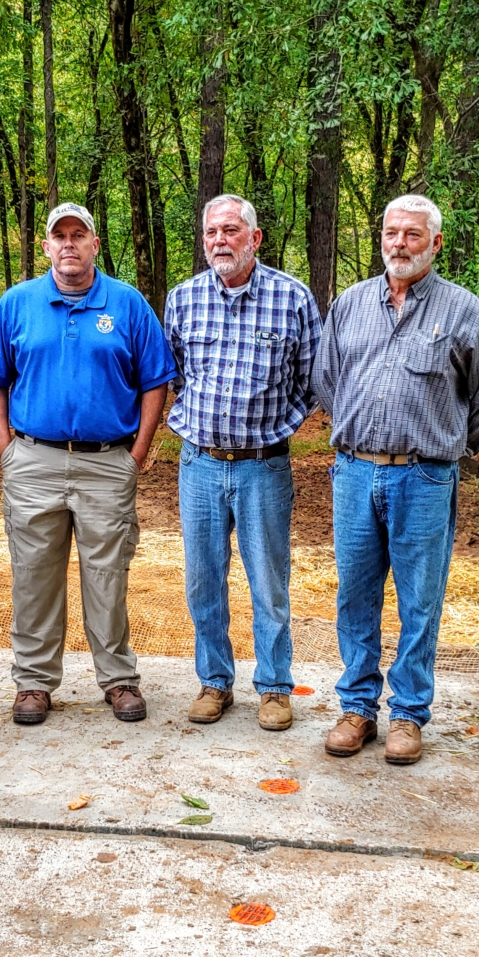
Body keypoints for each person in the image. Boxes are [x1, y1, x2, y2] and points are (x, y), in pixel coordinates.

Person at [312, 194, 479, 764]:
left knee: (418, 601)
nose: (398, 243)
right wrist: (358, 429)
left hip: (424, 478)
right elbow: (327, 379)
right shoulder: (351, 305)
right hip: (353, 473)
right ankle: (357, 708)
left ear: (435, 243)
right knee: (354, 594)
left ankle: (407, 715)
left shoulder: (463, 310)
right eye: (391, 232)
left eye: (412, 235)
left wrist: (455, 443)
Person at [0, 203, 175, 725]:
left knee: (107, 574)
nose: (68, 244)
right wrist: (5, 448)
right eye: (58, 236)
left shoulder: (127, 304)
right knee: (34, 574)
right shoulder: (18, 304)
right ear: (45, 246)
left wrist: (137, 455)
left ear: (94, 244)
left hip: (107, 462)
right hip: (33, 460)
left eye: (78, 235)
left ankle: (118, 679)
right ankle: (35, 683)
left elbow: (157, 381)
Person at [164, 194, 322, 731]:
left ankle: (275, 687)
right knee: (203, 580)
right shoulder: (183, 299)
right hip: (200, 465)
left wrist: (277, 429)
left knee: (268, 582)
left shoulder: (292, 298)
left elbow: (312, 381)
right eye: (211, 233)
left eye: (231, 231)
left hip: (263, 467)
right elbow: (178, 374)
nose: (219, 242)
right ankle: (214, 682)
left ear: (254, 239)